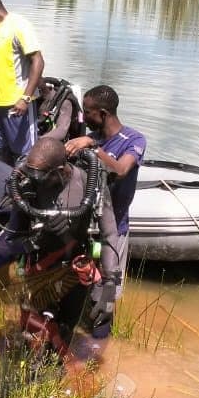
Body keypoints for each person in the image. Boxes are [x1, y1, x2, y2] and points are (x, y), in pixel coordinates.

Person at [0, 140, 121, 353]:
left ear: (60, 171)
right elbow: (9, 232)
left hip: (73, 271)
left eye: (40, 177)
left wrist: (109, 288)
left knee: (63, 334)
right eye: (31, 174)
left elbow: (110, 233)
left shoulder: (90, 184)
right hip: (37, 267)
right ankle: (26, 379)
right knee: (29, 335)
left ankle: (54, 371)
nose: (34, 180)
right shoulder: (27, 183)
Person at [65, 85, 146, 294]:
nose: (84, 116)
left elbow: (120, 170)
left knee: (109, 290)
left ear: (103, 114)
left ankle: (105, 323)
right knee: (84, 283)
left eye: (88, 111)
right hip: (89, 226)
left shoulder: (134, 140)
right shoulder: (94, 136)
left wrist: (92, 146)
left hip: (115, 227)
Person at [0, 0, 45, 165]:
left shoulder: (19, 25)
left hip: (16, 105)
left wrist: (25, 98)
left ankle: (22, 192)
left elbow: (38, 61)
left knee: (24, 156)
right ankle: (0, 190)